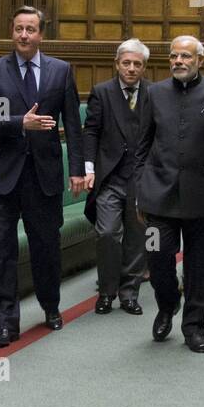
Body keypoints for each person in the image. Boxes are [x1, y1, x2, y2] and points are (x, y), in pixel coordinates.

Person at [0, 6, 85, 348]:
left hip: (44, 174)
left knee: (46, 247)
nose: (24, 35)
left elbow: (73, 124)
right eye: (19, 29)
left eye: (31, 29)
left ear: (41, 34)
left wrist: (78, 170)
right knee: (1, 252)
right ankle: (6, 323)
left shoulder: (61, 71)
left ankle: (50, 306)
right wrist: (19, 122)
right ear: (12, 31)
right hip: (3, 175)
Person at [133, 36, 204, 353]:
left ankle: (194, 327)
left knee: (198, 267)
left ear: (200, 60)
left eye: (185, 56)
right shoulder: (154, 93)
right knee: (157, 260)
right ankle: (168, 304)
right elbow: (141, 147)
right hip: (158, 197)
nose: (178, 61)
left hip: (202, 196)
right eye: (173, 56)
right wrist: (140, 192)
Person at [80, 39, 153, 316]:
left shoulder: (153, 93)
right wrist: (88, 168)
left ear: (144, 67)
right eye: (126, 63)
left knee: (137, 236)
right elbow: (91, 132)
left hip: (141, 177)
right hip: (110, 177)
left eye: (137, 64)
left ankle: (129, 294)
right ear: (117, 63)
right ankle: (107, 291)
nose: (131, 68)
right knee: (107, 233)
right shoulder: (102, 91)